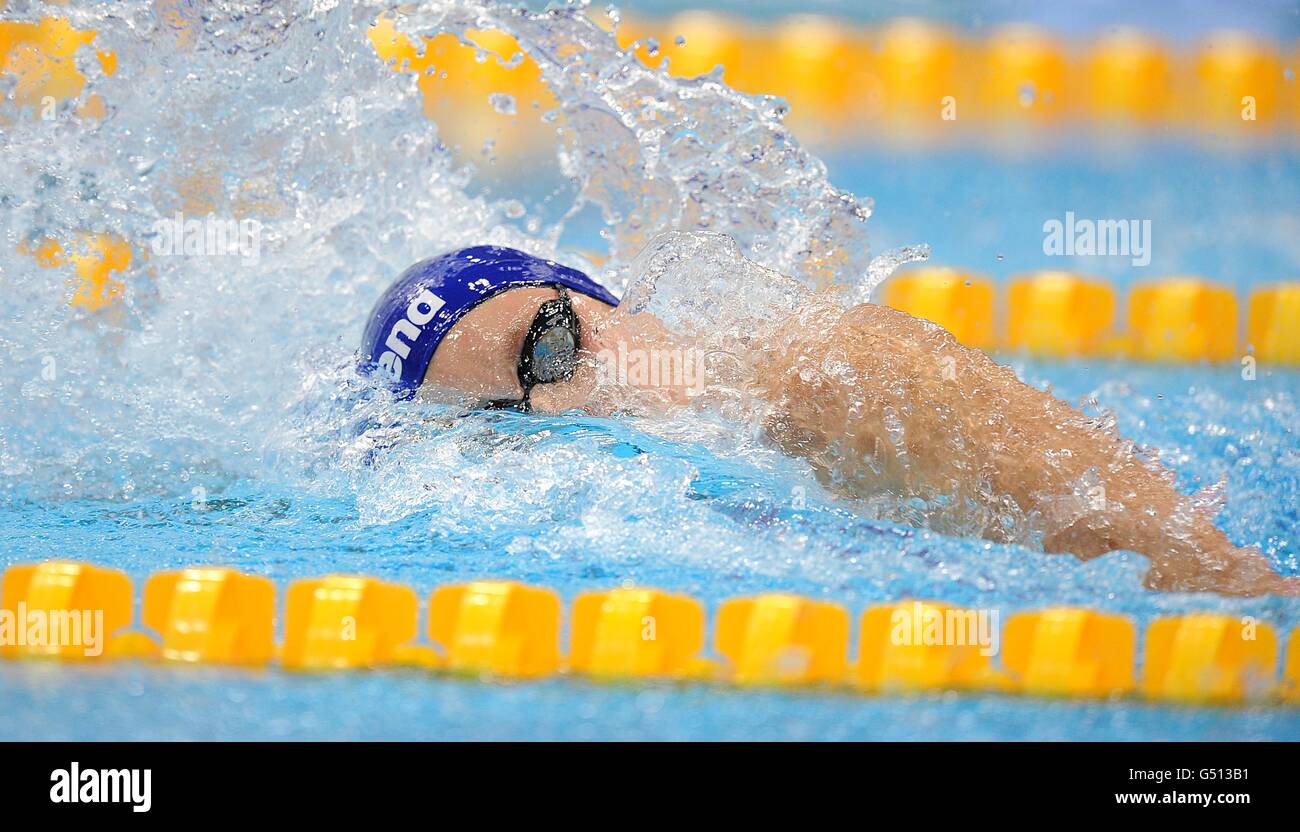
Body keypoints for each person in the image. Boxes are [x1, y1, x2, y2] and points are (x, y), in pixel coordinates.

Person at [358, 243, 1298, 597]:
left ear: (598, 298)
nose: (562, 404)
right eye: (506, 418)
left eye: (552, 349)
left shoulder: (831, 369)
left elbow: (1195, 565)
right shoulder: (642, 512)